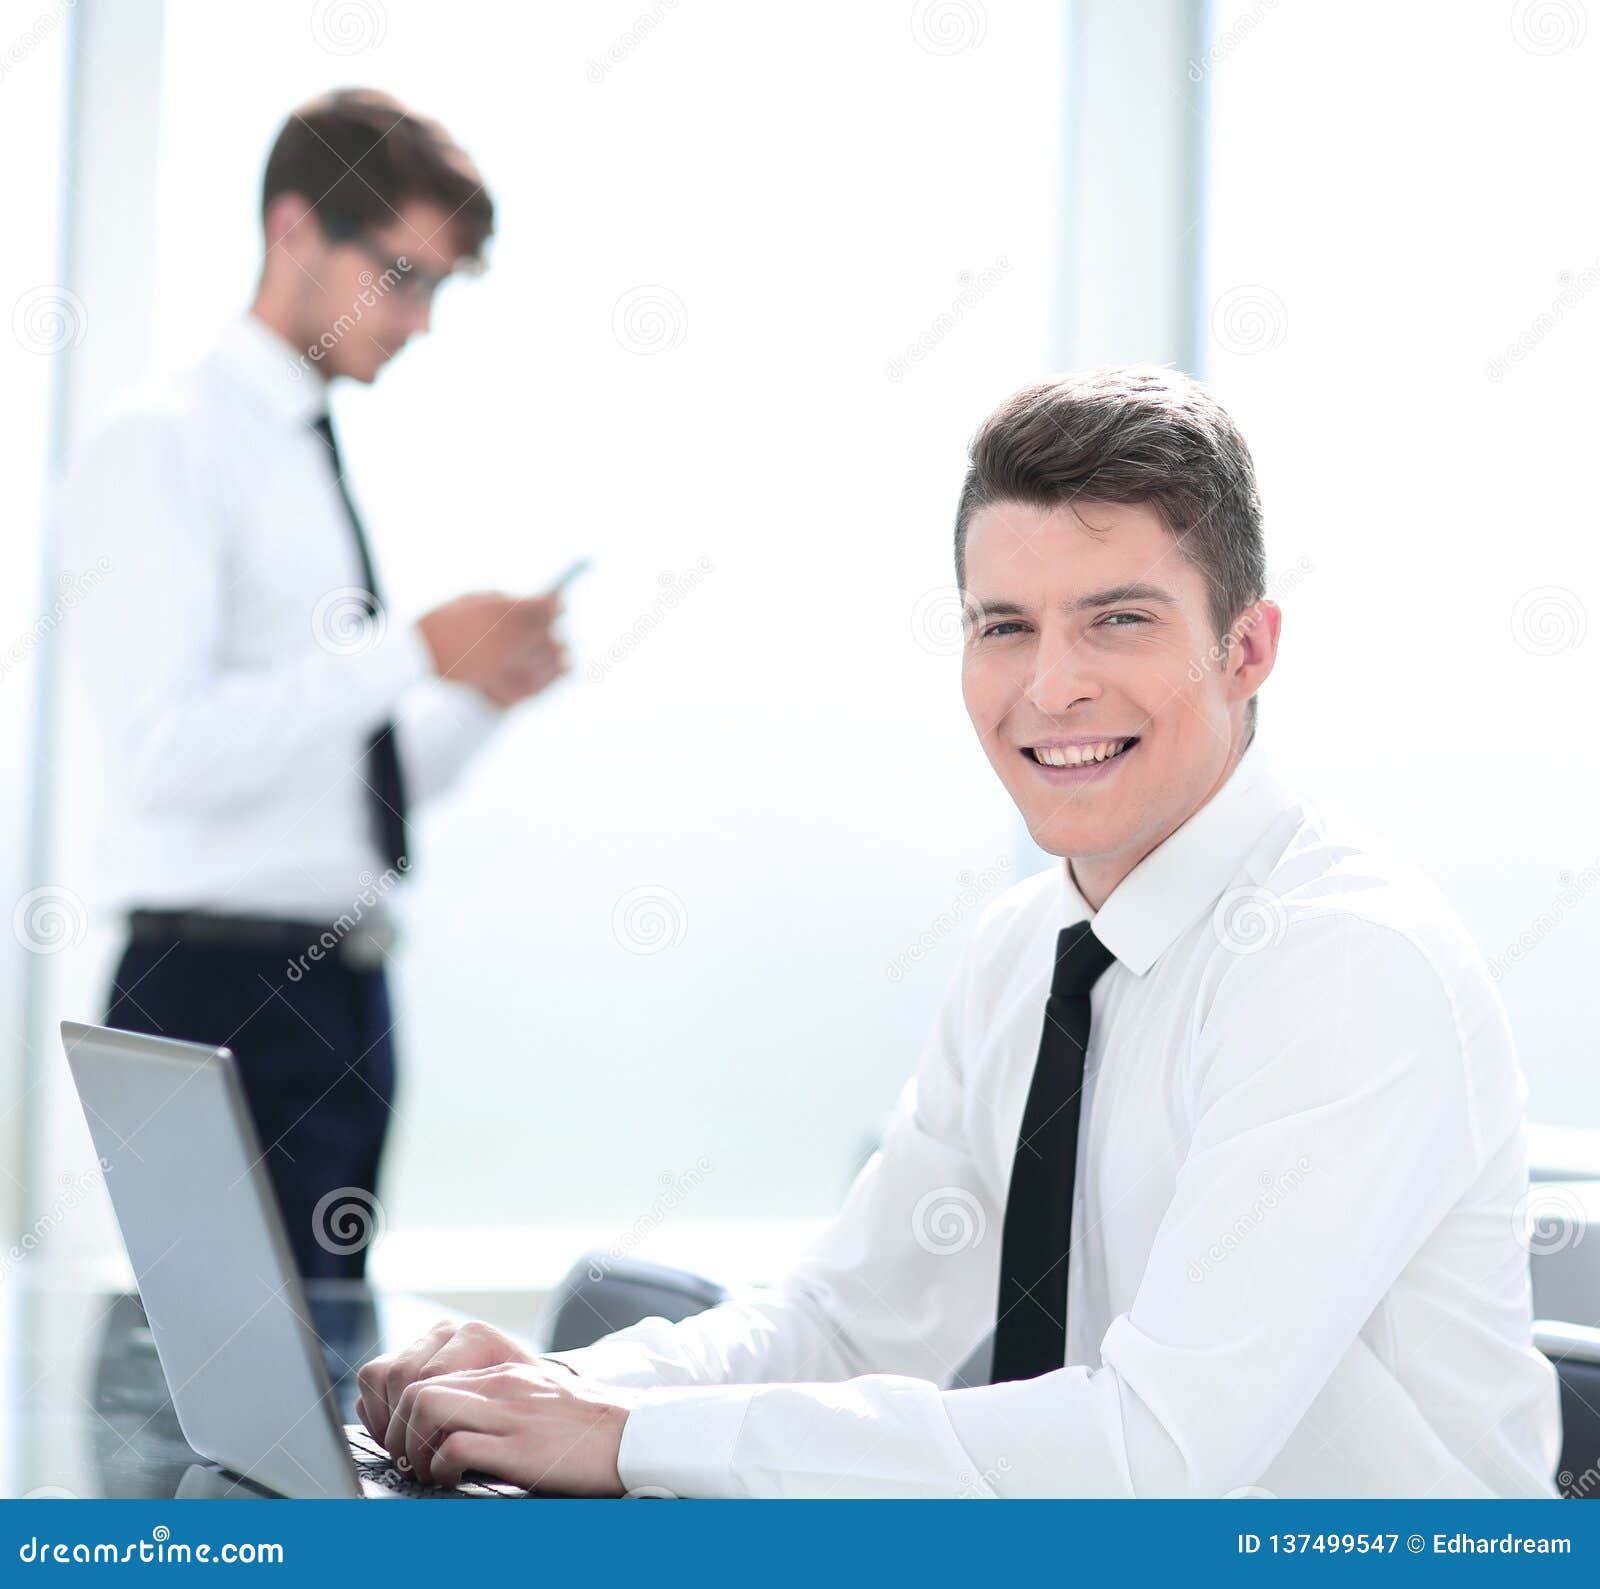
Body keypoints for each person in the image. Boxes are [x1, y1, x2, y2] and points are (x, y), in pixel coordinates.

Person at [354, 367, 1562, 1497]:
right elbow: (845, 1322)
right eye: (1004, 625)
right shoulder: (1026, 949)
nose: (1050, 686)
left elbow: (1153, 1454)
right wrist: (563, 1389)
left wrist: (627, 1438)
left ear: (1245, 648)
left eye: (1117, 619)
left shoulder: (1340, 962)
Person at [58, 88, 568, 1282]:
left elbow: (355, 790)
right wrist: (410, 652)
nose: (420, 320)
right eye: (401, 274)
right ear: (293, 229)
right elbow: (163, 755)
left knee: (313, 1356)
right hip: (214, 999)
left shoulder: (305, 455)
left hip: (344, 996)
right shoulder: (164, 440)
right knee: (215, 1371)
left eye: (439, 286)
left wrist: (481, 696)